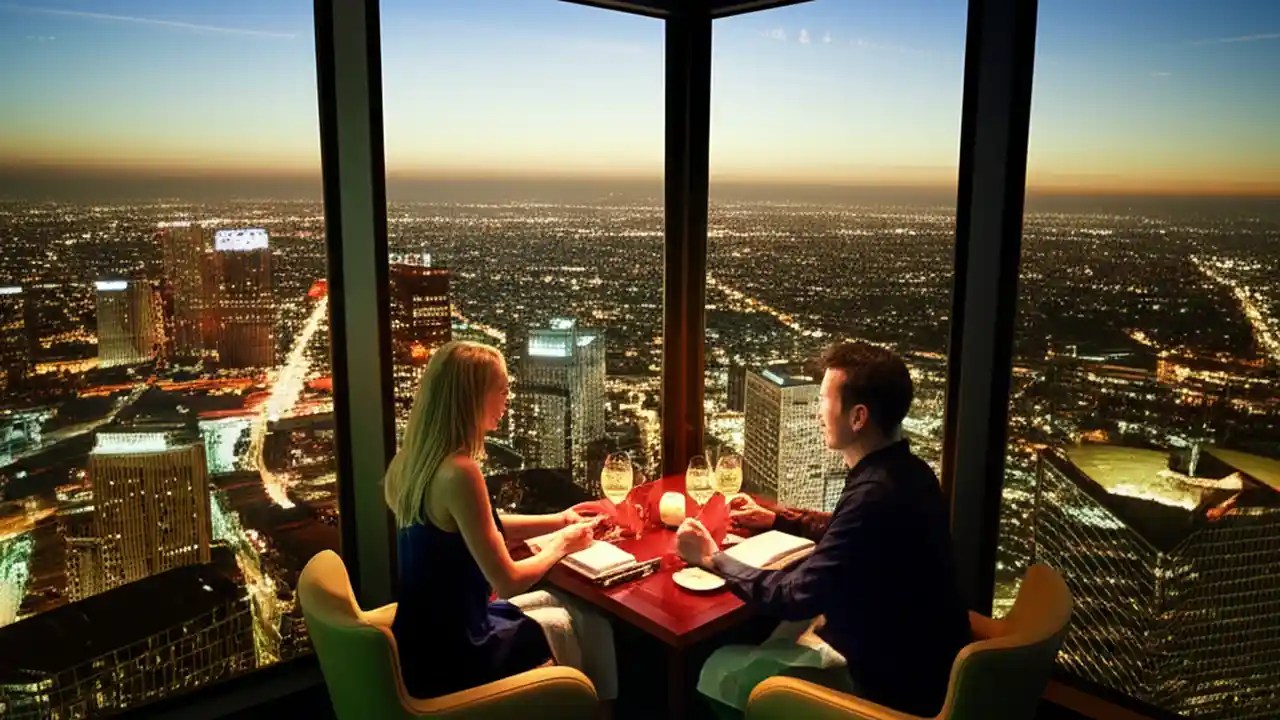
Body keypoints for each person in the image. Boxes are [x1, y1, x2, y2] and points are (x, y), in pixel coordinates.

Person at [677, 342, 971, 717]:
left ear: (858, 417)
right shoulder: (910, 473)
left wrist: (711, 558)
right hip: (926, 667)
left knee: (718, 669)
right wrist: (777, 519)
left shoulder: (874, 495)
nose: (818, 413)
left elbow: (794, 595)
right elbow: (849, 533)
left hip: (887, 691)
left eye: (824, 400)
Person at [385, 340, 618, 705]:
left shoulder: (412, 461)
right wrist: (563, 544)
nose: (508, 400)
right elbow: (508, 582)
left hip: (421, 641)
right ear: (473, 398)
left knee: (581, 616)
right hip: (459, 651)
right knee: (585, 622)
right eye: (503, 390)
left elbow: (477, 525)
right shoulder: (460, 472)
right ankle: (581, 706)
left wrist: (558, 520)